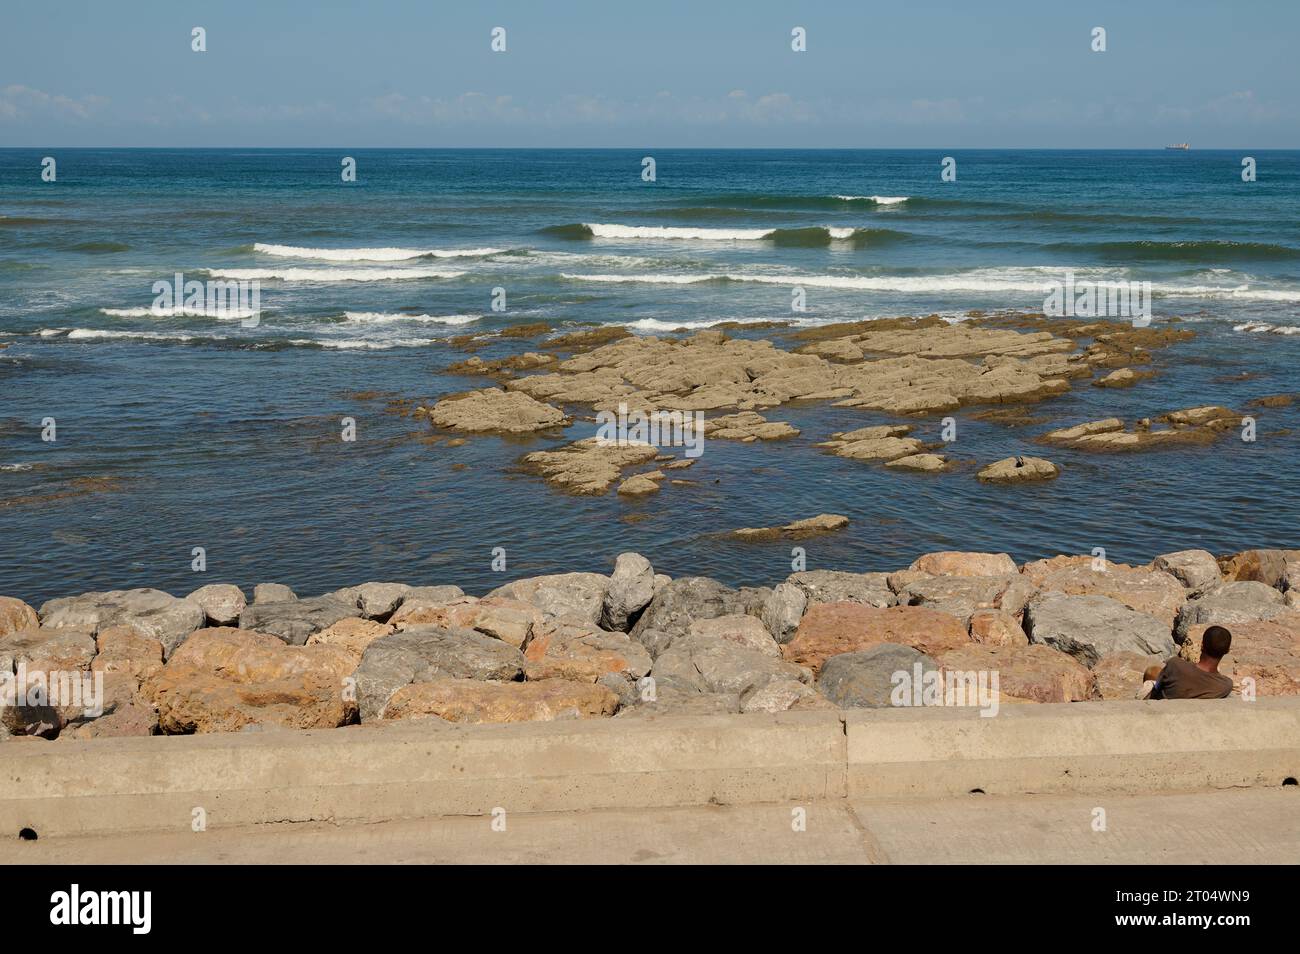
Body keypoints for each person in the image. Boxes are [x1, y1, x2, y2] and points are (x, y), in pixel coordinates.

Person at [1149, 625, 1234, 700]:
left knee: (1152, 671)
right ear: (1227, 651)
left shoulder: (1175, 664)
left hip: (1163, 711)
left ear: (1202, 645)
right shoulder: (1225, 685)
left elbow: (1156, 689)